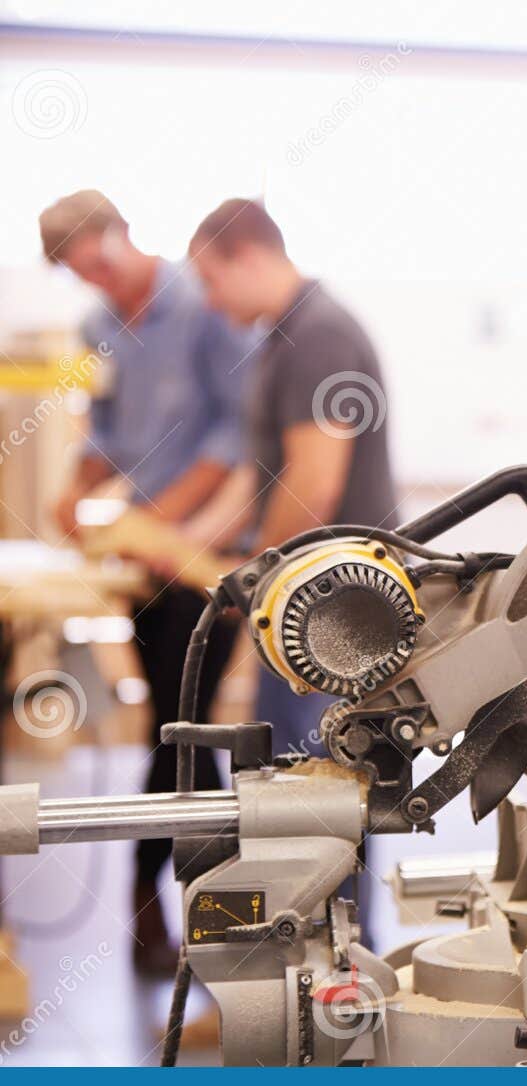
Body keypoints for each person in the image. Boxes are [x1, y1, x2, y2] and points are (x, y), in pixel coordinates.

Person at [39, 190, 252, 975]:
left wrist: (166, 523)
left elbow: (236, 437)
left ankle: (156, 903)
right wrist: (77, 484)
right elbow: (108, 433)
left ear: (121, 234)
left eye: (98, 262)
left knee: (189, 733)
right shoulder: (100, 327)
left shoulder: (204, 304)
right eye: (76, 273)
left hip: (207, 559)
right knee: (180, 729)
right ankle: (193, 919)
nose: (97, 282)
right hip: (144, 559)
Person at [180, 198, 397, 758]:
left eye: (210, 280)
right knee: (292, 791)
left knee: (315, 802)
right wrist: (195, 546)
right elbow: (262, 477)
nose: (209, 300)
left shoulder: (318, 336)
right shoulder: (283, 337)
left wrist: (255, 575)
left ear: (247, 257)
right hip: (309, 603)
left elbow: (313, 484)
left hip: (335, 616)